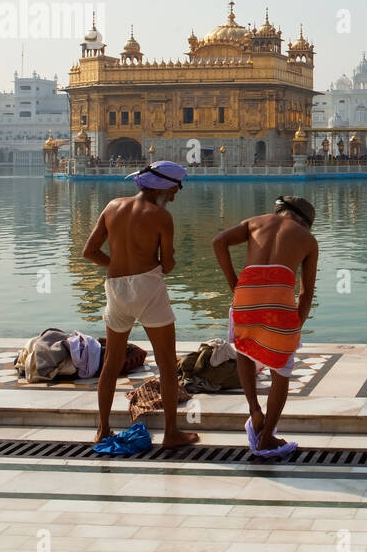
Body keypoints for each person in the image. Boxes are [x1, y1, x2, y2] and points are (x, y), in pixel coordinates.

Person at [82, 160, 199, 449]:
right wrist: (147, 268)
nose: (176, 193)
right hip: (148, 288)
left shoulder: (112, 207)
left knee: (111, 363)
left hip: (116, 288)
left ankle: (103, 430)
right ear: (164, 186)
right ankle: (171, 433)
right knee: (167, 364)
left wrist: (119, 266)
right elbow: (168, 265)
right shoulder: (161, 217)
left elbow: (89, 251)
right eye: (176, 187)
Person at [211, 195, 319, 457]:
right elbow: (306, 292)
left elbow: (218, 242)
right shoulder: (307, 240)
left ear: (279, 211)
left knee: (245, 350)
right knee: (281, 370)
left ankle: (254, 409)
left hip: (246, 293)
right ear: (305, 222)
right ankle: (267, 437)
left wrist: (234, 282)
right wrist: (297, 323)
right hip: (279, 299)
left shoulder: (255, 222)